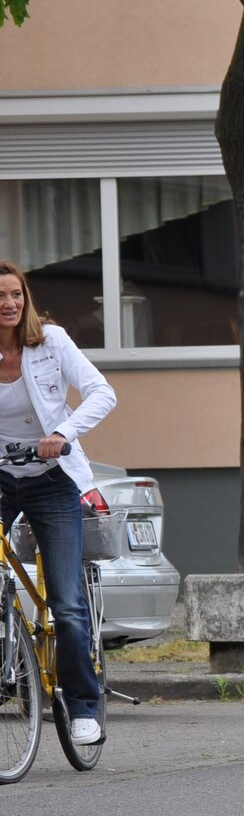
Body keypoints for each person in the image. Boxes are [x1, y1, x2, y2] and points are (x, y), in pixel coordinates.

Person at [0, 260, 116, 747]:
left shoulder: (50, 341)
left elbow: (101, 393)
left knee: (67, 604)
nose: (9, 304)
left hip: (52, 480)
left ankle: (83, 706)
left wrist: (61, 433)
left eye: (16, 295)